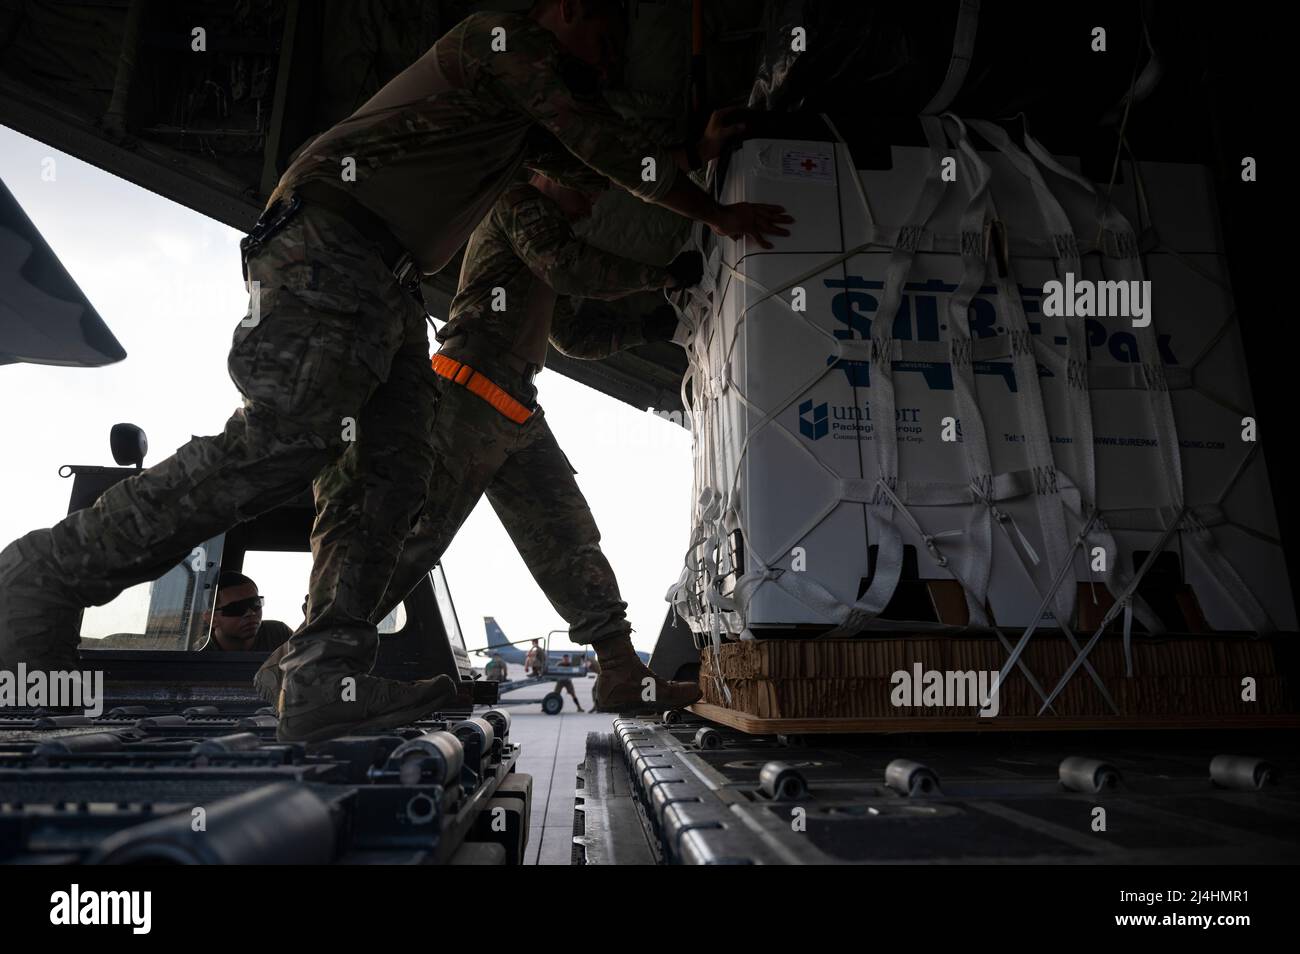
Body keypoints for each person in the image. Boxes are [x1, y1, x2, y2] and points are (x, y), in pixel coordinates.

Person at [0, 0, 789, 745]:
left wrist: (691, 156)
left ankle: (322, 677)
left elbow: (593, 166)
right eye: (608, 40)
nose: (608, 60)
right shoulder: (502, 43)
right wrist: (710, 213)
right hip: (331, 241)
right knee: (288, 438)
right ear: (570, 10)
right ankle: (45, 577)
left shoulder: (517, 134)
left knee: (390, 480)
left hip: (393, 282)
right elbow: (594, 145)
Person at [256, 167, 712, 712]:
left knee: (567, 536)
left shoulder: (547, 248)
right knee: (411, 541)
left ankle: (620, 671)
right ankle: (295, 668)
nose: (590, 205)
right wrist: (661, 275)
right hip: (467, 393)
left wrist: (649, 327)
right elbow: (566, 267)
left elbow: (571, 336)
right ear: (547, 172)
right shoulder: (518, 204)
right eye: (585, 188)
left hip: (513, 405)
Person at [202, 572, 293, 652]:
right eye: (236, 608)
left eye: (255, 603)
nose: (250, 613)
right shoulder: (199, 652)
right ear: (211, 619)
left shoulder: (279, 634)